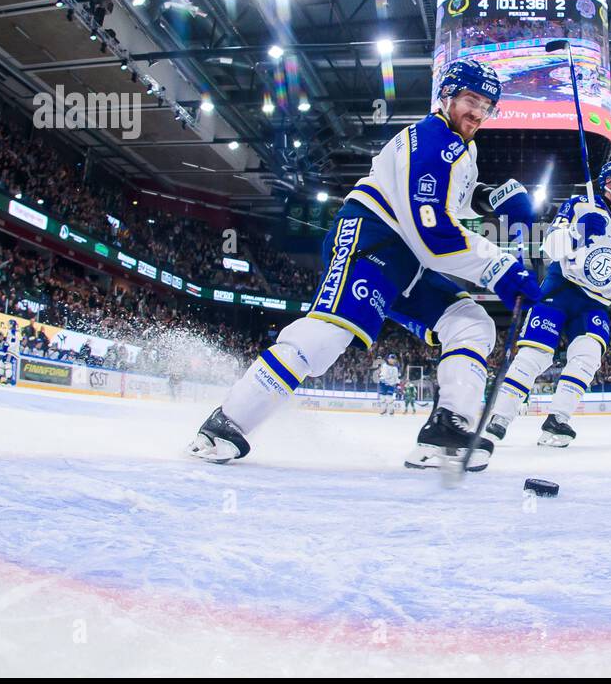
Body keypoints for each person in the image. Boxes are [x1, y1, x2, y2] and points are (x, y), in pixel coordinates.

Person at [187, 60, 541, 472]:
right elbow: (433, 234)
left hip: (406, 259)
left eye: (488, 105)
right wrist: (500, 268)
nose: (479, 112)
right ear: (446, 96)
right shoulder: (430, 140)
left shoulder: (462, 147)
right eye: (471, 100)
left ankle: (447, 429)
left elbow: (450, 202)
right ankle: (224, 425)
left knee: (470, 322)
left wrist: (490, 197)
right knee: (326, 335)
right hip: (371, 239)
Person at [484, 159, 611, 448]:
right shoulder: (579, 205)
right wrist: (577, 233)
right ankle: (499, 418)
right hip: (561, 289)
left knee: (587, 356)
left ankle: (557, 419)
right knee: (534, 355)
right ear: (608, 181)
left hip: (595, 303)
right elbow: (550, 247)